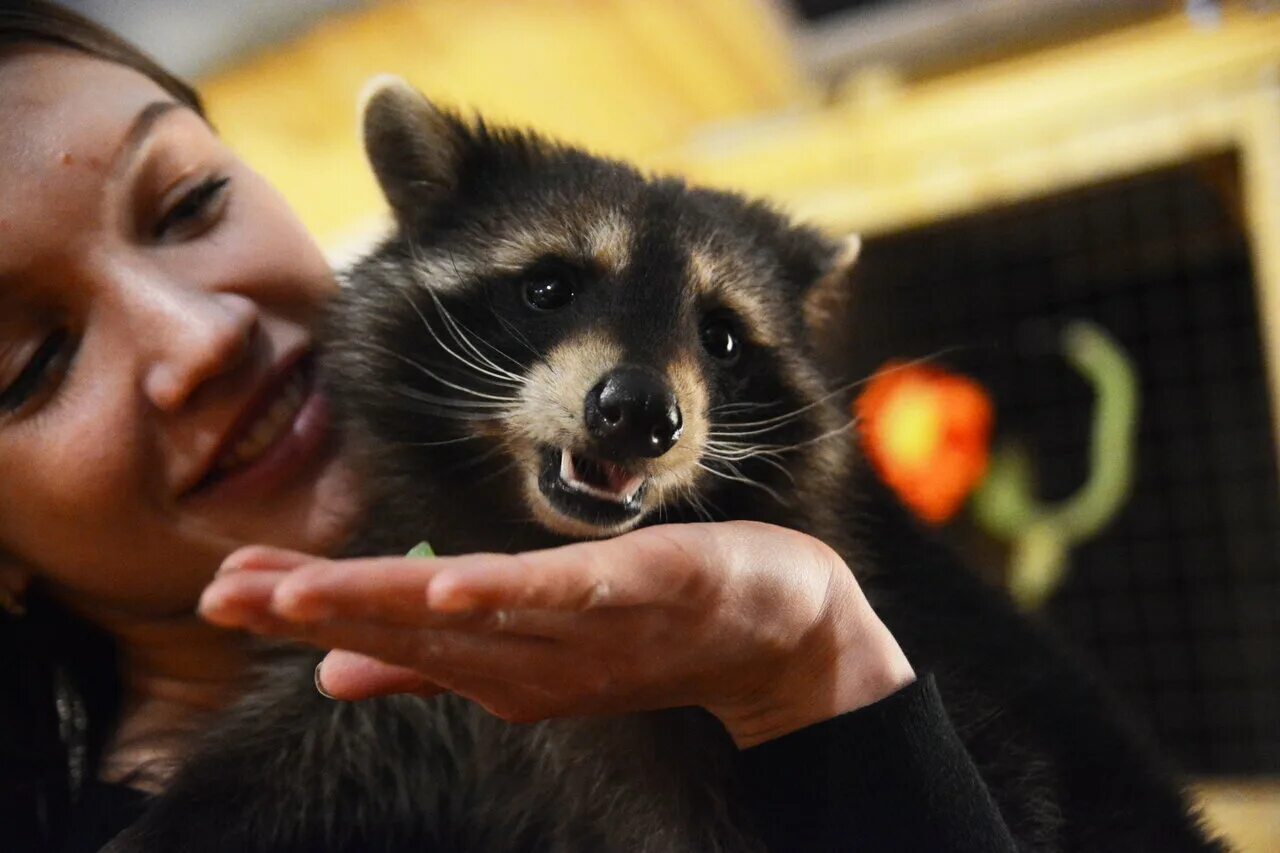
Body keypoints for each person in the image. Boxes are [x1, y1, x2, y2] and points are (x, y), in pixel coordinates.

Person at [0, 3, 1018, 850]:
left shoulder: (822, 589)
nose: (205, 339)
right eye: (32, 363)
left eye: (189, 204)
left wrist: (815, 681)